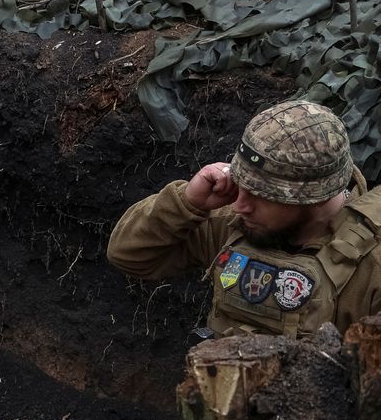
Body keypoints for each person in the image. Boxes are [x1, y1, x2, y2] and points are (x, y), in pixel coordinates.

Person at [107, 100, 381, 338]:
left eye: (261, 195)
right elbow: (128, 256)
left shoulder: (372, 264)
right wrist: (186, 203)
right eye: (240, 184)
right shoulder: (233, 223)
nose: (239, 205)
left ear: (314, 197)